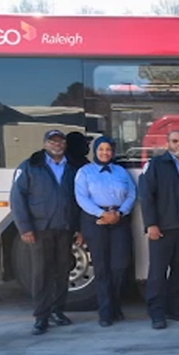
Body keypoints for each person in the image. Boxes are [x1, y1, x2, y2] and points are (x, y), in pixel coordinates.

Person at [9, 129, 82, 335]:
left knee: (62, 272)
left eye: (60, 141)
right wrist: (25, 227)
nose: (57, 145)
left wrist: (79, 227)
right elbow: (17, 199)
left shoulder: (73, 167)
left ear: (65, 145)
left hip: (65, 227)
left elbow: (79, 199)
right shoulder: (30, 166)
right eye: (52, 141)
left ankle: (58, 311)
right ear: (45, 144)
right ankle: (41, 316)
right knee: (41, 274)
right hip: (40, 229)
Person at [138, 131, 179, 330]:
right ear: (167, 144)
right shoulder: (157, 165)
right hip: (163, 227)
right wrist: (151, 224)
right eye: (175, 141)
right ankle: (156, 312)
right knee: (158, 272)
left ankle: (175, 308)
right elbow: (147, 197)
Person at [73, 136, 136, 327]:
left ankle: (115, 306)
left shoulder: (121, 172)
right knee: (101, 268)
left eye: (108, 149)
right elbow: (81, 198)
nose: (105, 153)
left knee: (119, 266)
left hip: (119, 219)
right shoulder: (85, 172)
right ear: (95, 151)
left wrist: (121, 212)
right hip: (95, 220)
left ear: (113, 152)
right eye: (101, 149)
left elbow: (133, 193)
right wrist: (102, 213)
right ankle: (105, 312)